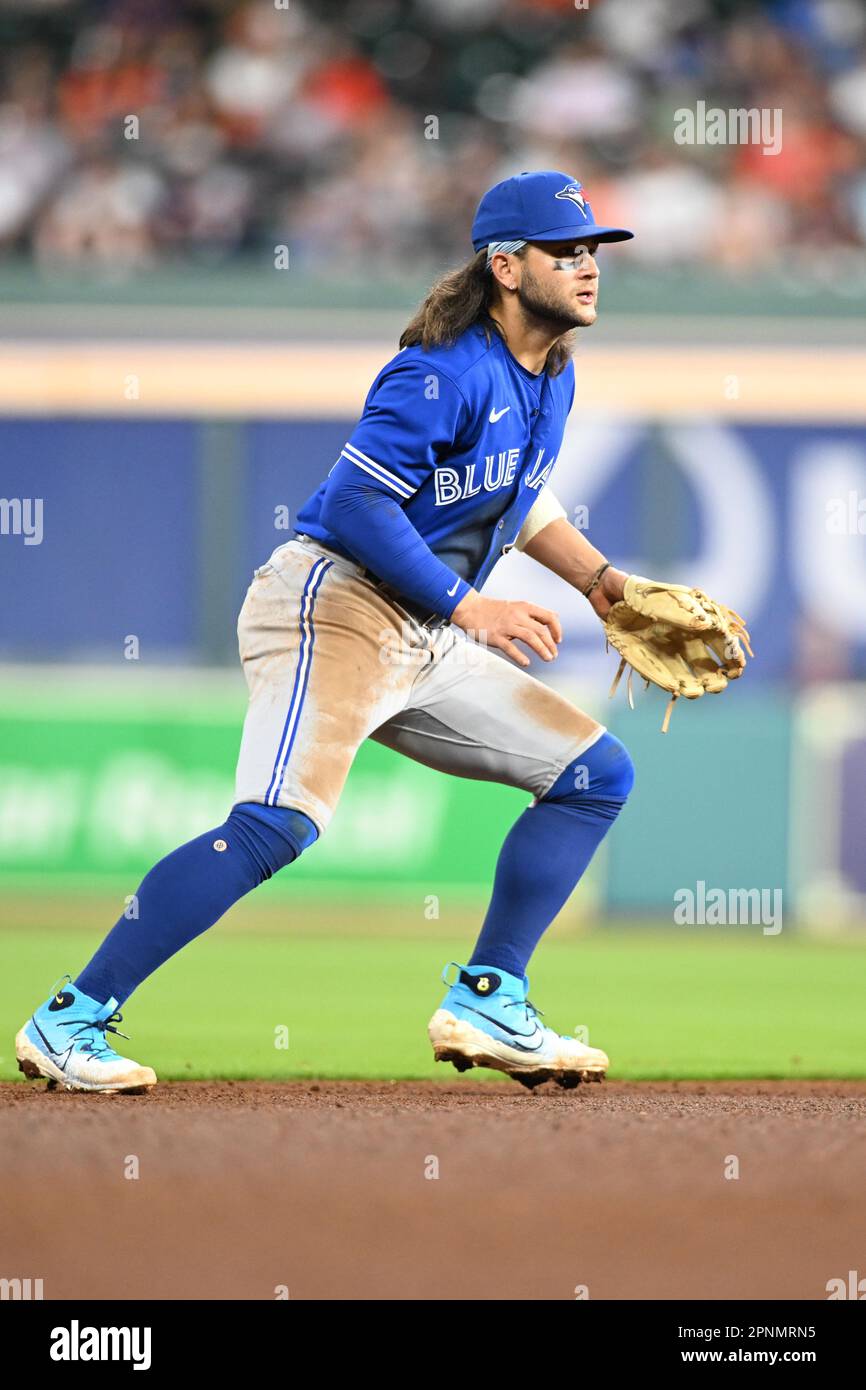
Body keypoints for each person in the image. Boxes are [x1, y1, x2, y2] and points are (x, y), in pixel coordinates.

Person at [16, 170, 637, 1093]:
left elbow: (520, 493)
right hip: (336, 603)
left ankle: (488, 997)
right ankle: (70, 1020)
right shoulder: (443, 370)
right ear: (506, 267)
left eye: (594, 251)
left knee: (593, 773)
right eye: (566, 250)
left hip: (419, 628)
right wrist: (470, 608)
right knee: (279, 823)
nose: (588, 267)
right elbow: (353, 504)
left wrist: (605, 585)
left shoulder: (553, 374)